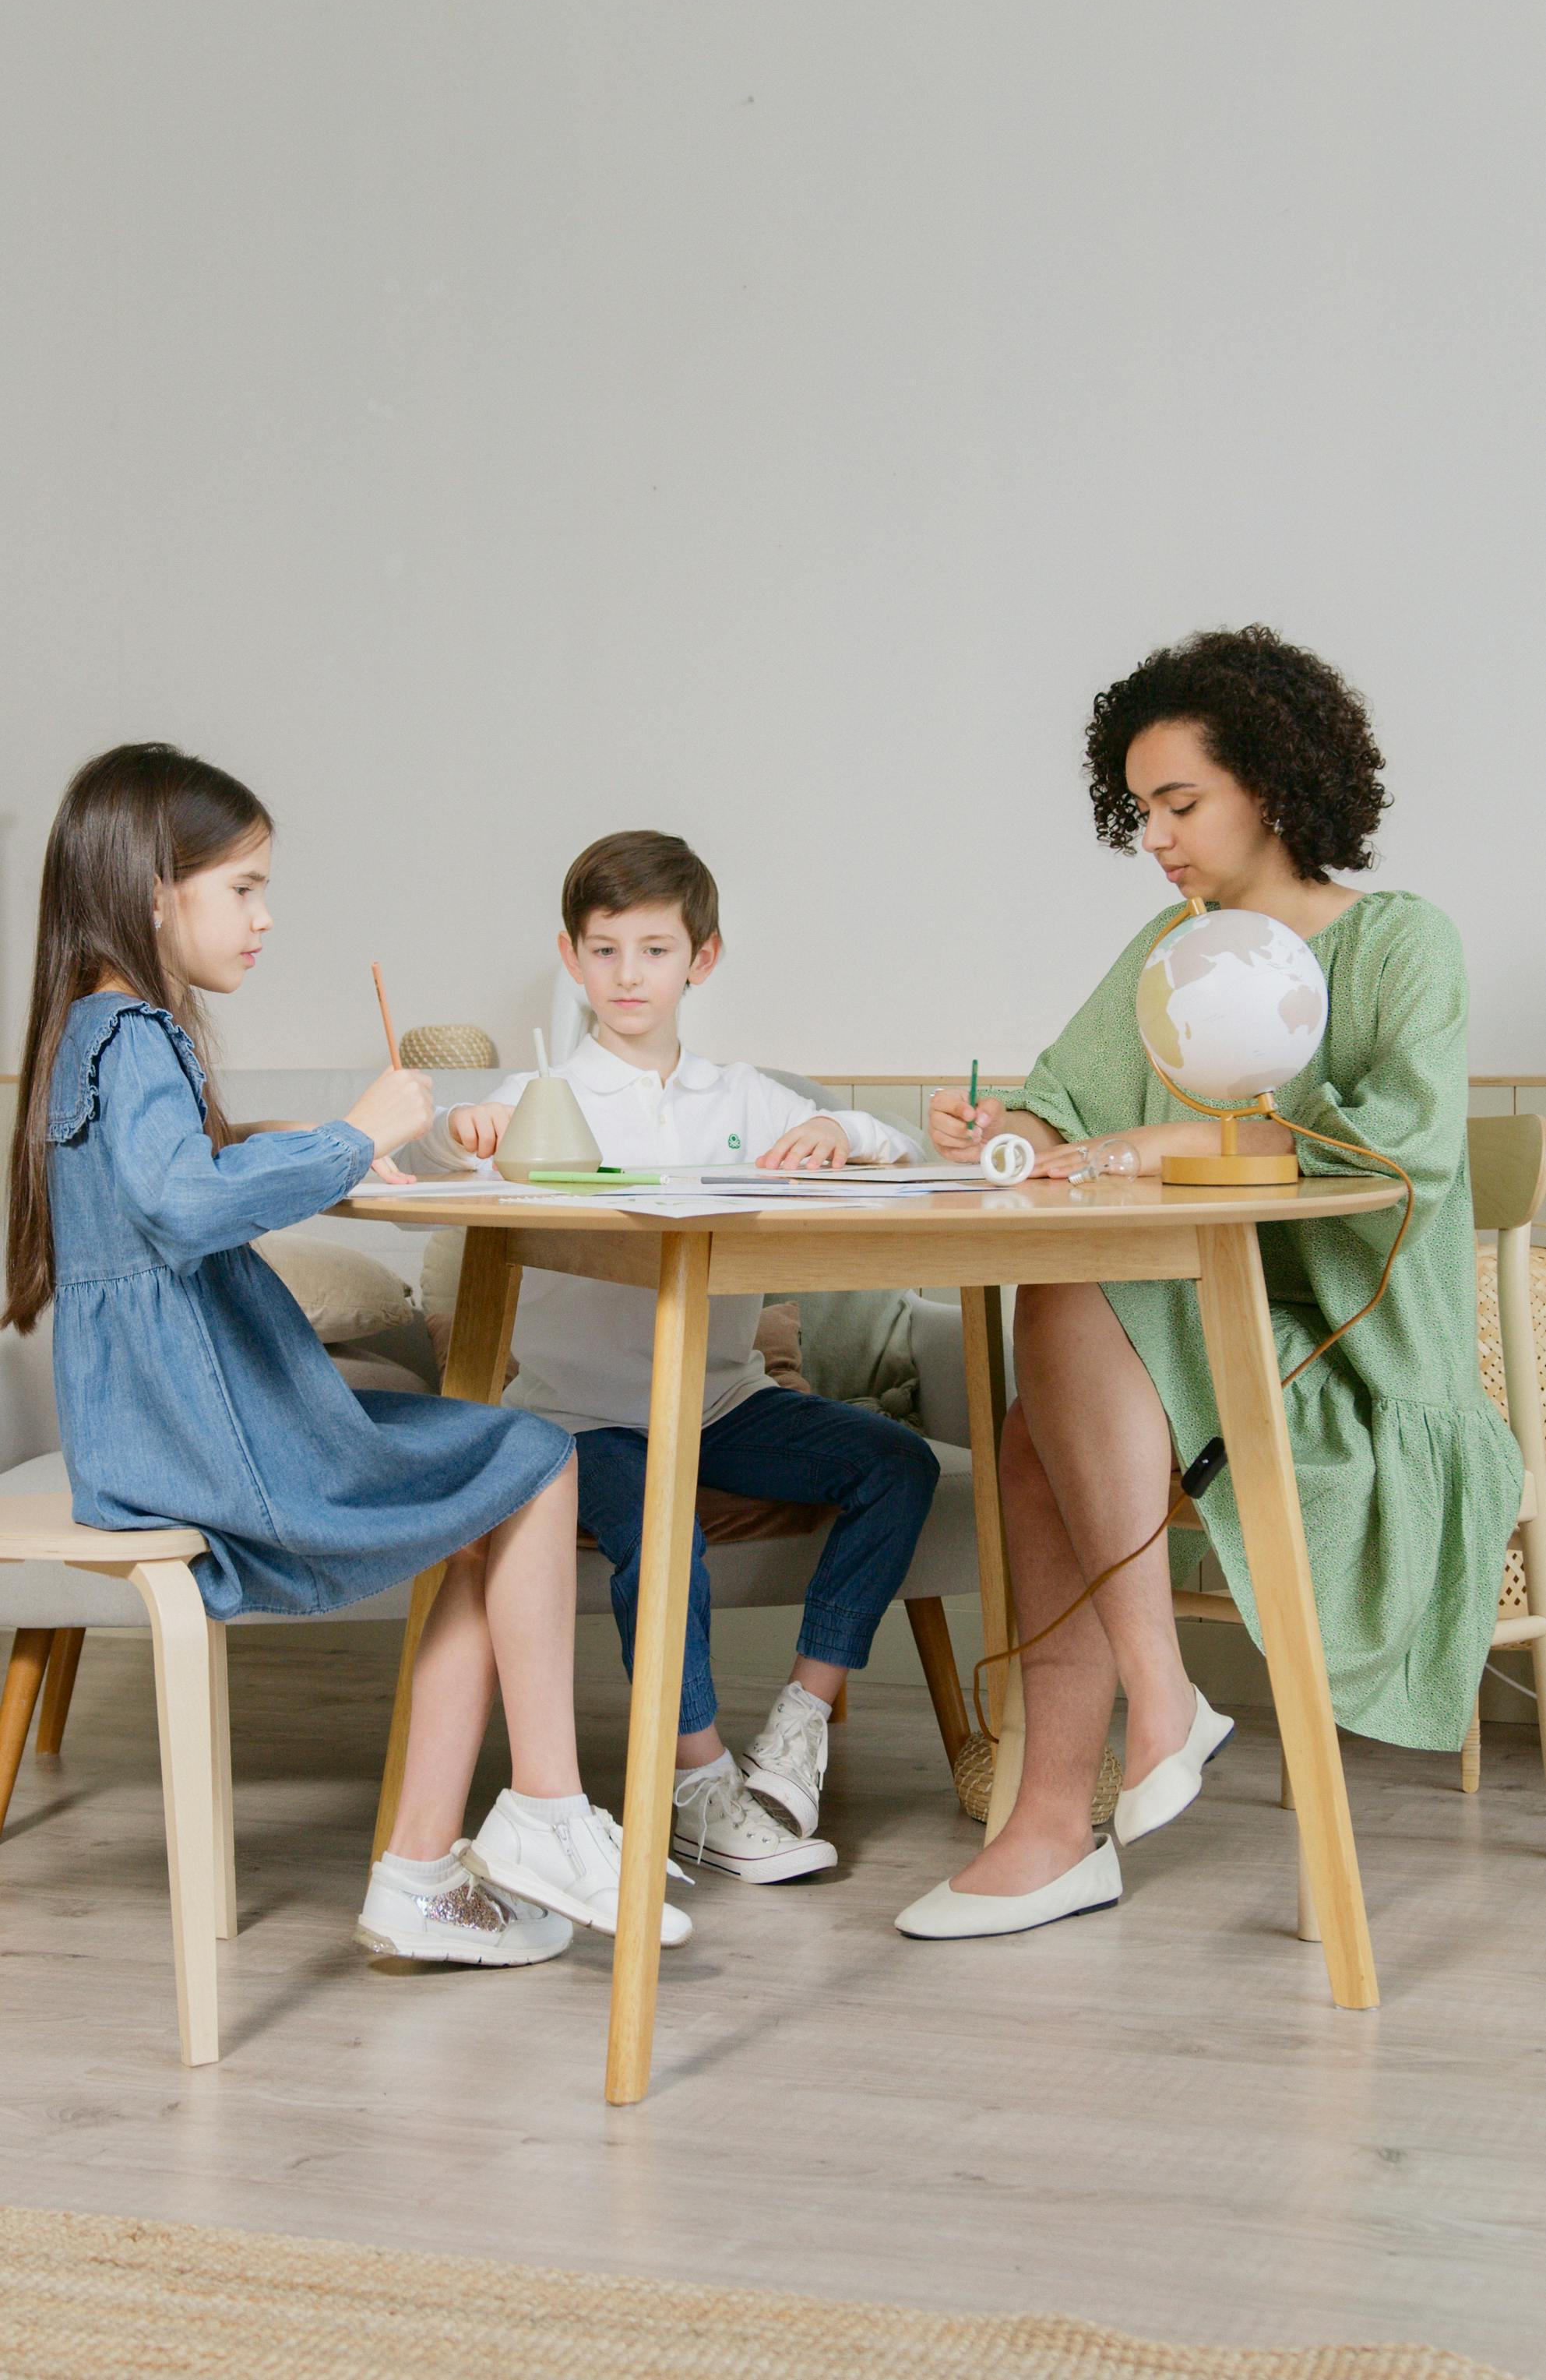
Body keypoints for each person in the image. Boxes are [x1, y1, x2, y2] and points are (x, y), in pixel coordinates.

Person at [2, 745, 692, 1968]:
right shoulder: (135, 1034)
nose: (265, 919)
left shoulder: (86, 1034)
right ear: (154, 887)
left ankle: (432, 1869)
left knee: (503, 1474)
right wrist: (349, 1132)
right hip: (214, 1445)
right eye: (244, 888)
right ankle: (537, 1812)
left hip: (149, 1437)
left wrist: (287, 1141)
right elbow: (177, 1201)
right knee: (532, 1455)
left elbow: (155, 1180)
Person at [897, 625, 1522, 1943]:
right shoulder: (1170, 948)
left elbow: (1392, 1150)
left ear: (1273, 786)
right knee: (1043, 1382)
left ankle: (1090, 1783)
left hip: (1358, 1370)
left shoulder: (1404, 943)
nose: (1156, 837)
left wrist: (1165, 1139)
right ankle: (1094, 1776)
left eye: (1179, 802)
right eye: (1140, 811)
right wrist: (1006, 1128)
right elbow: (1062, 1107)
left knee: (1047, 1380)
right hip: (1199, 1348)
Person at [408, 829, 940, 1885]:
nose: (627, 975)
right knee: (662, 1531)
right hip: (581, 1416)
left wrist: (839, 1128)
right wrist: (455, 1129)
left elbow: (895, 1145)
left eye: (653, 950)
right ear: (570, 958)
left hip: (722, 1402)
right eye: (605, 951)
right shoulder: (536, 1100)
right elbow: (433, 1157)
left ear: (701, 958)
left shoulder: (743, 1098)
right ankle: (698, 1783)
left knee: (896, 1464)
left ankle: (799, 1723)